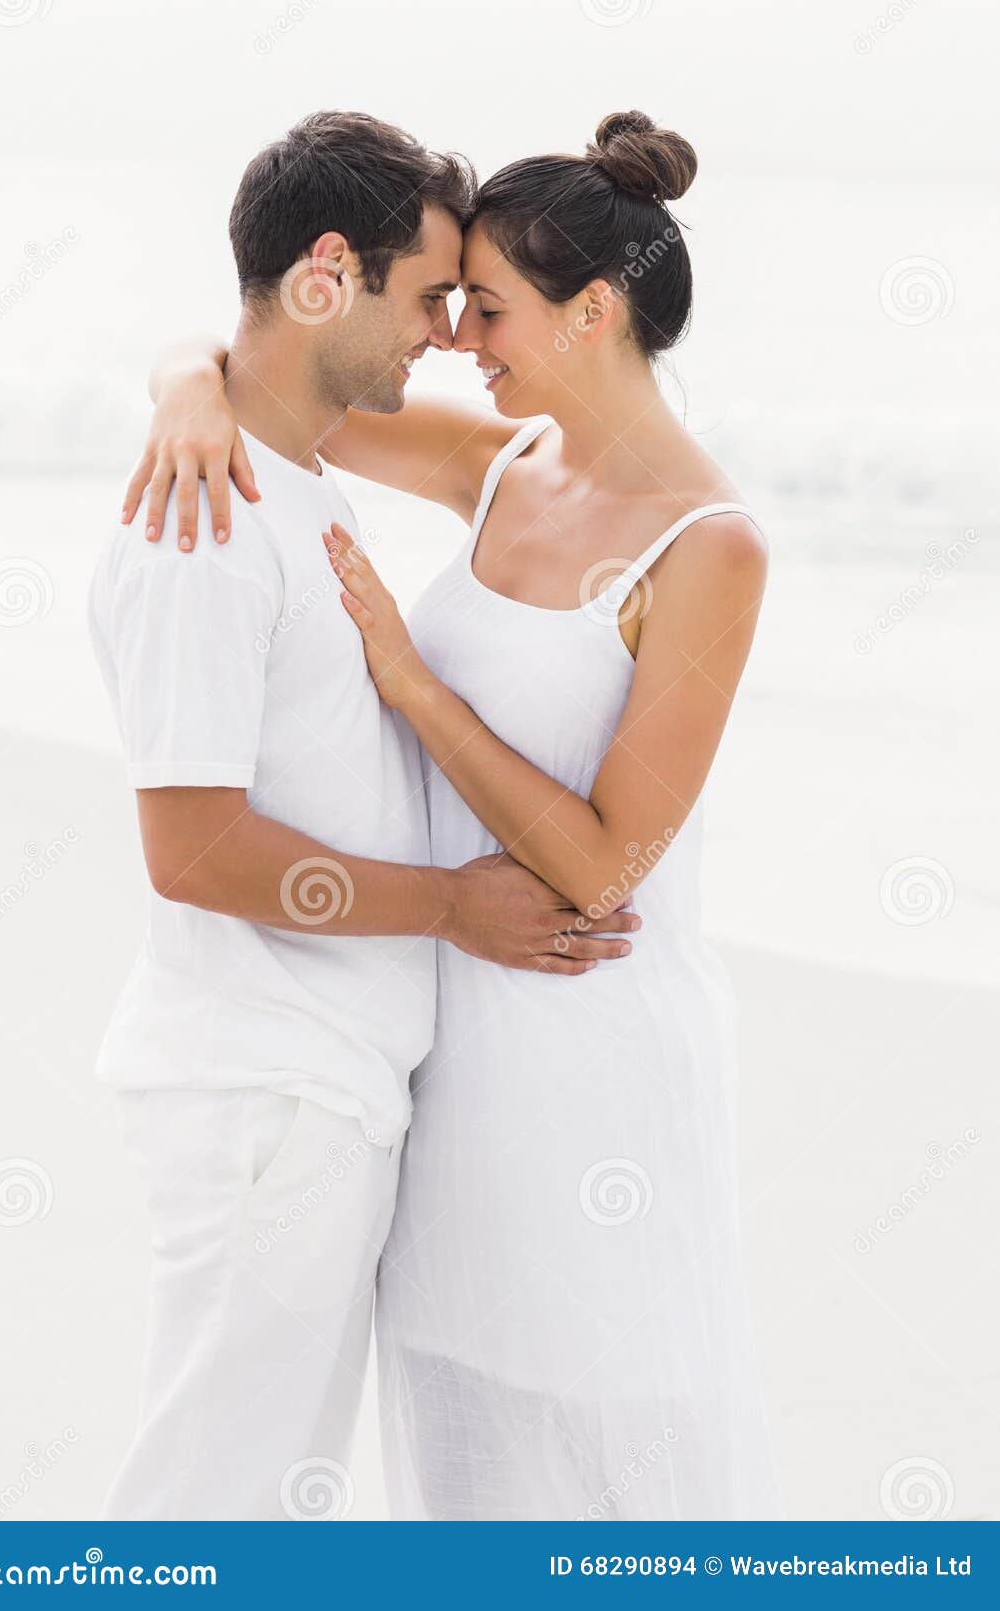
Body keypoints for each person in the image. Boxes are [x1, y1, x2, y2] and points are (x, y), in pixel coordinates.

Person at [125, 109, 780, 1520]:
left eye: (486, 309)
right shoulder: (502, 467)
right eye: (452, 304)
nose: (459, 343)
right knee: (469, 1448)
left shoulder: (711, 546)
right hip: (438, 1056)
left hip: (590, 1044)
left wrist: (416, 689)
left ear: (593, 309)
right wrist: (182, 384)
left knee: (605, 1437)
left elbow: (611, 863)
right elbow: (291, 379)